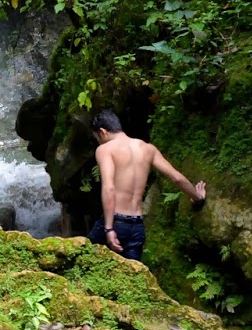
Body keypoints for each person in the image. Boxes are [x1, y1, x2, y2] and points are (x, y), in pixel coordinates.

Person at [87, 108, 206, 261]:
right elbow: (177, 178)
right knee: (132, 273)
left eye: (97, 138)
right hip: (136, 227)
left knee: (80, 259)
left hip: (116, 222)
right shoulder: (148, 149)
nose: (98, 142)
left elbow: (109, 187)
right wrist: (198, 197)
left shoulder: (105, 149)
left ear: (102, 132)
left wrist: (109, 228)